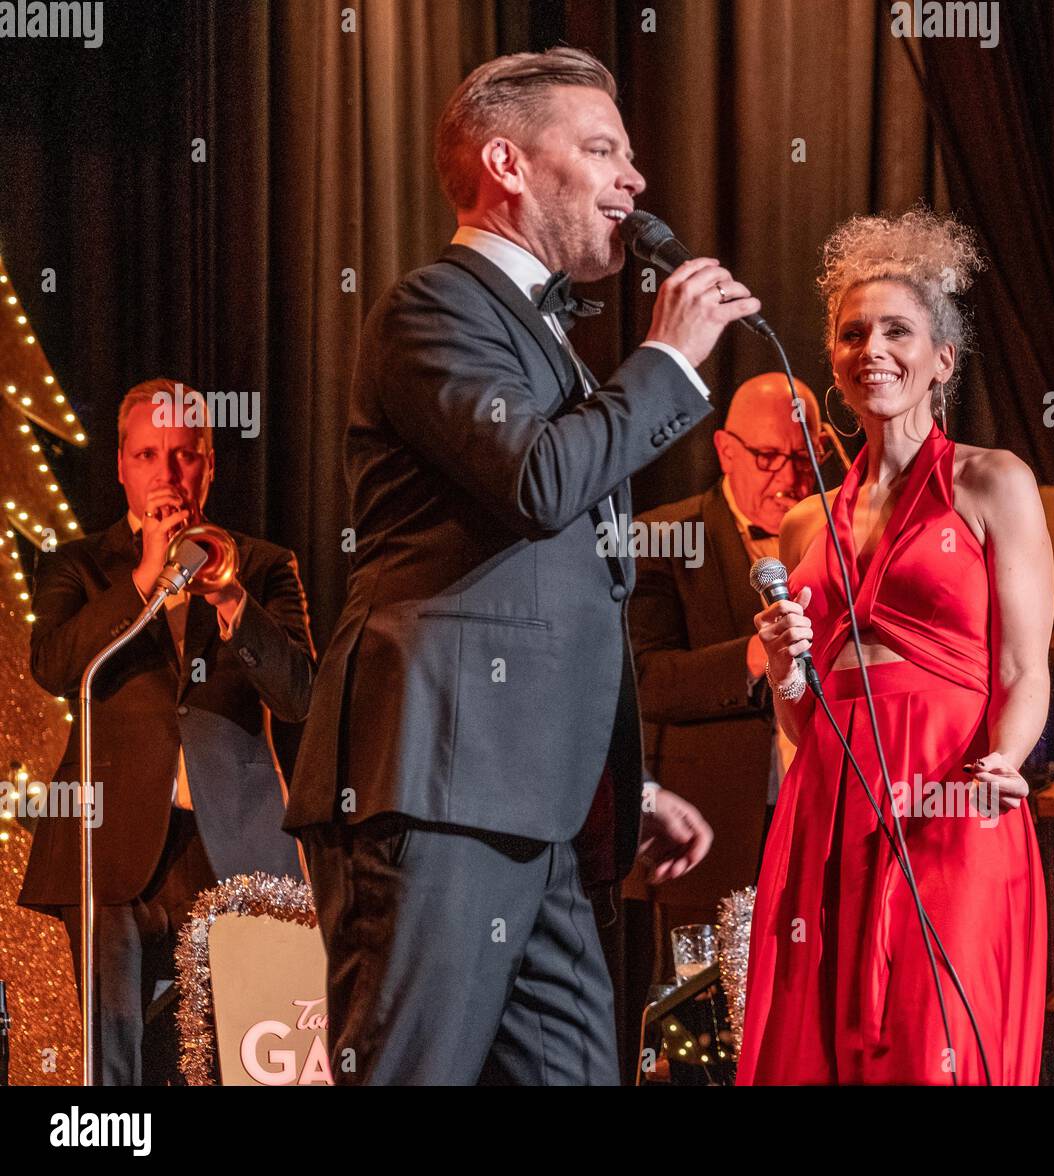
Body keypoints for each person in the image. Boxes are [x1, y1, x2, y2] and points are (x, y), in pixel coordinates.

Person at [284, 47, 755, 1085]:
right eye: (599, 150)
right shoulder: (432, 309)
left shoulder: (543, 340)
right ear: (505, 163)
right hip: (438, 793)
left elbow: (546, 594)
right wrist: (668, 359)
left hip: (536, 809)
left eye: (629, 156)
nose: (633, 180)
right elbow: (539, 480)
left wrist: (613, 782)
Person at [738, 209, 1052, 1085]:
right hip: (829, 798)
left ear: (942, 361)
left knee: (931, 1041)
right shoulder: (804, 522)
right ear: (835, 365)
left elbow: (1026, 667)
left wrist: (1006, 758)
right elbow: (802, 720)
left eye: (897, 330)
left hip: (953, 791)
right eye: (851, 333)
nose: (871, 347)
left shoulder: (992, 481)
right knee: (817, 1046)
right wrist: (785, 665)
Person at [18, 377, 315, 1085]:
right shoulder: (77, 566)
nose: (167, 472)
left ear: (209, 464)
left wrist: (233, 600)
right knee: (113, 1057)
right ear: (122, 465)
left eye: (184, 455)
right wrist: (147, 576)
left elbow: (302, 695)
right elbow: (55, 667)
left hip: (231, 841)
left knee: (237, 1055)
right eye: (149, 454)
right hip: (108, 844)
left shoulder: (266, 567)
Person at [627, 373, 824, 976]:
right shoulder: (661, 535)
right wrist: (755, 656)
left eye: (802, 457)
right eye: (768, 456)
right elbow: (642, 681)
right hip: (707, 832)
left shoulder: (840, 534)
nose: (788, 477)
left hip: (821, 818)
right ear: (725, 450)